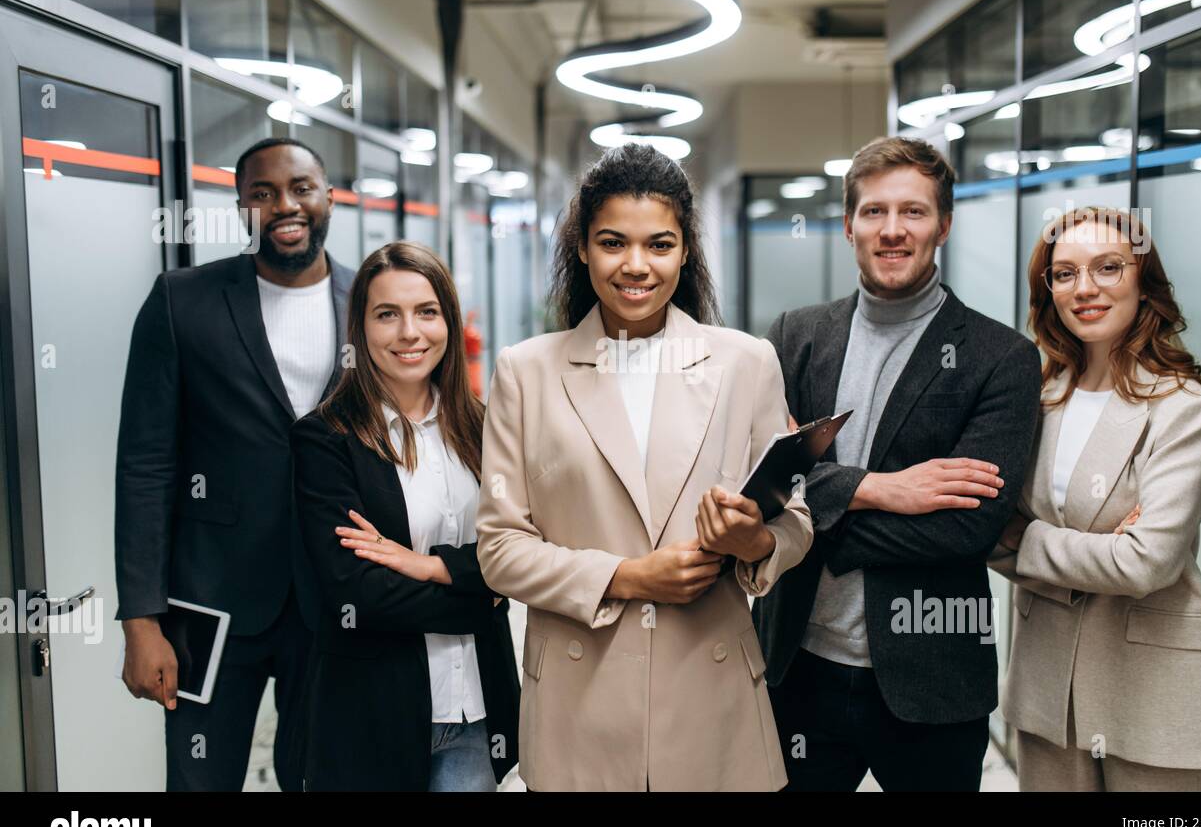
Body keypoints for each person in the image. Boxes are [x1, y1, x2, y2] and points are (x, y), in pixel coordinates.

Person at [475, 142, 814, 791]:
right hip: (580, 698)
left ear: (686, 251)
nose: (636, 265)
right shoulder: (526, 372)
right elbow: (499, 548)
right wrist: (627, 577)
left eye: (659, 244)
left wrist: (757, 540)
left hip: (710, 690)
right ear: (582, 248)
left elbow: (795, 519)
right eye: (612, 243)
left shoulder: (746, 363)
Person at [752, 136, 1042, 791]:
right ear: (849, 223)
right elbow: (762, 485)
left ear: (944, 223)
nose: (892, 230)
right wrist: (882, 489)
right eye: (875, 212)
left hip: (932, 682)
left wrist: (816, 509)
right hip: (797, 666)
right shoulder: (794, 337)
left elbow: (964, 529)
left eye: (912, 212)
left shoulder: (1001, 359)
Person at [116, 137, 353, 791]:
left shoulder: (372, 304)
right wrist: (140, 619)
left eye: (301, 186)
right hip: (208, 604)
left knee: (321, 779)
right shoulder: (180, 302)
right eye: (262, 192)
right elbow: (144, 468)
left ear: (329, 195)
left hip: (336, 600)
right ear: (241, 206)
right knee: (200, 781)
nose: (285, 204)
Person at [991, 207, 1201, 791]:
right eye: (1064, 274)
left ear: (1143, 281)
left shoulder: (1184, 406)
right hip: (1047, 684)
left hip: (1156, 687)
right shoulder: (1031, 398)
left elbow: (1146, 561)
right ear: (1047, 289)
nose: (1085, 289)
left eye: (1109, 268)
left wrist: (1026, 537)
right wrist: (1100, 545)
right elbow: (984, 526)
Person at [291, 242, 519, 791]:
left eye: (426, 312)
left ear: (448, 319)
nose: (409, 332)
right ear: (361, 328)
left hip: (477, 713)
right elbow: (356, 594)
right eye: (387, 314)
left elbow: (518, 548)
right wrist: (481, 596)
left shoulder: (487, 429)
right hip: (373, 715)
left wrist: (429, 567)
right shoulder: (325, 440)